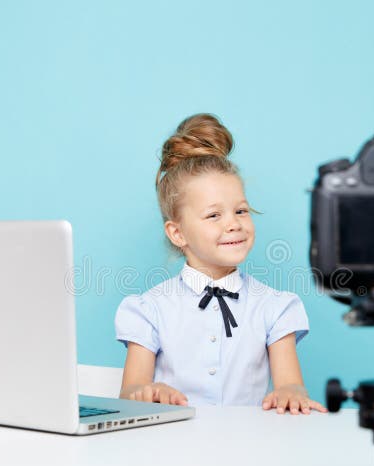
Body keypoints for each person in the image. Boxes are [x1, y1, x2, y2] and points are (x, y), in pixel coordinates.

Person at [114, 113, 326, 415]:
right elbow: (130, 391)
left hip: (248, 450)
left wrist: (290, 394)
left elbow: (290, 385)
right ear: (178, 233)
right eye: (214, 215)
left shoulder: (275, 307)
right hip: (171, 450)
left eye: (241, 211)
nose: (234, 224)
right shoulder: (151, 309)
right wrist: (147, 391)